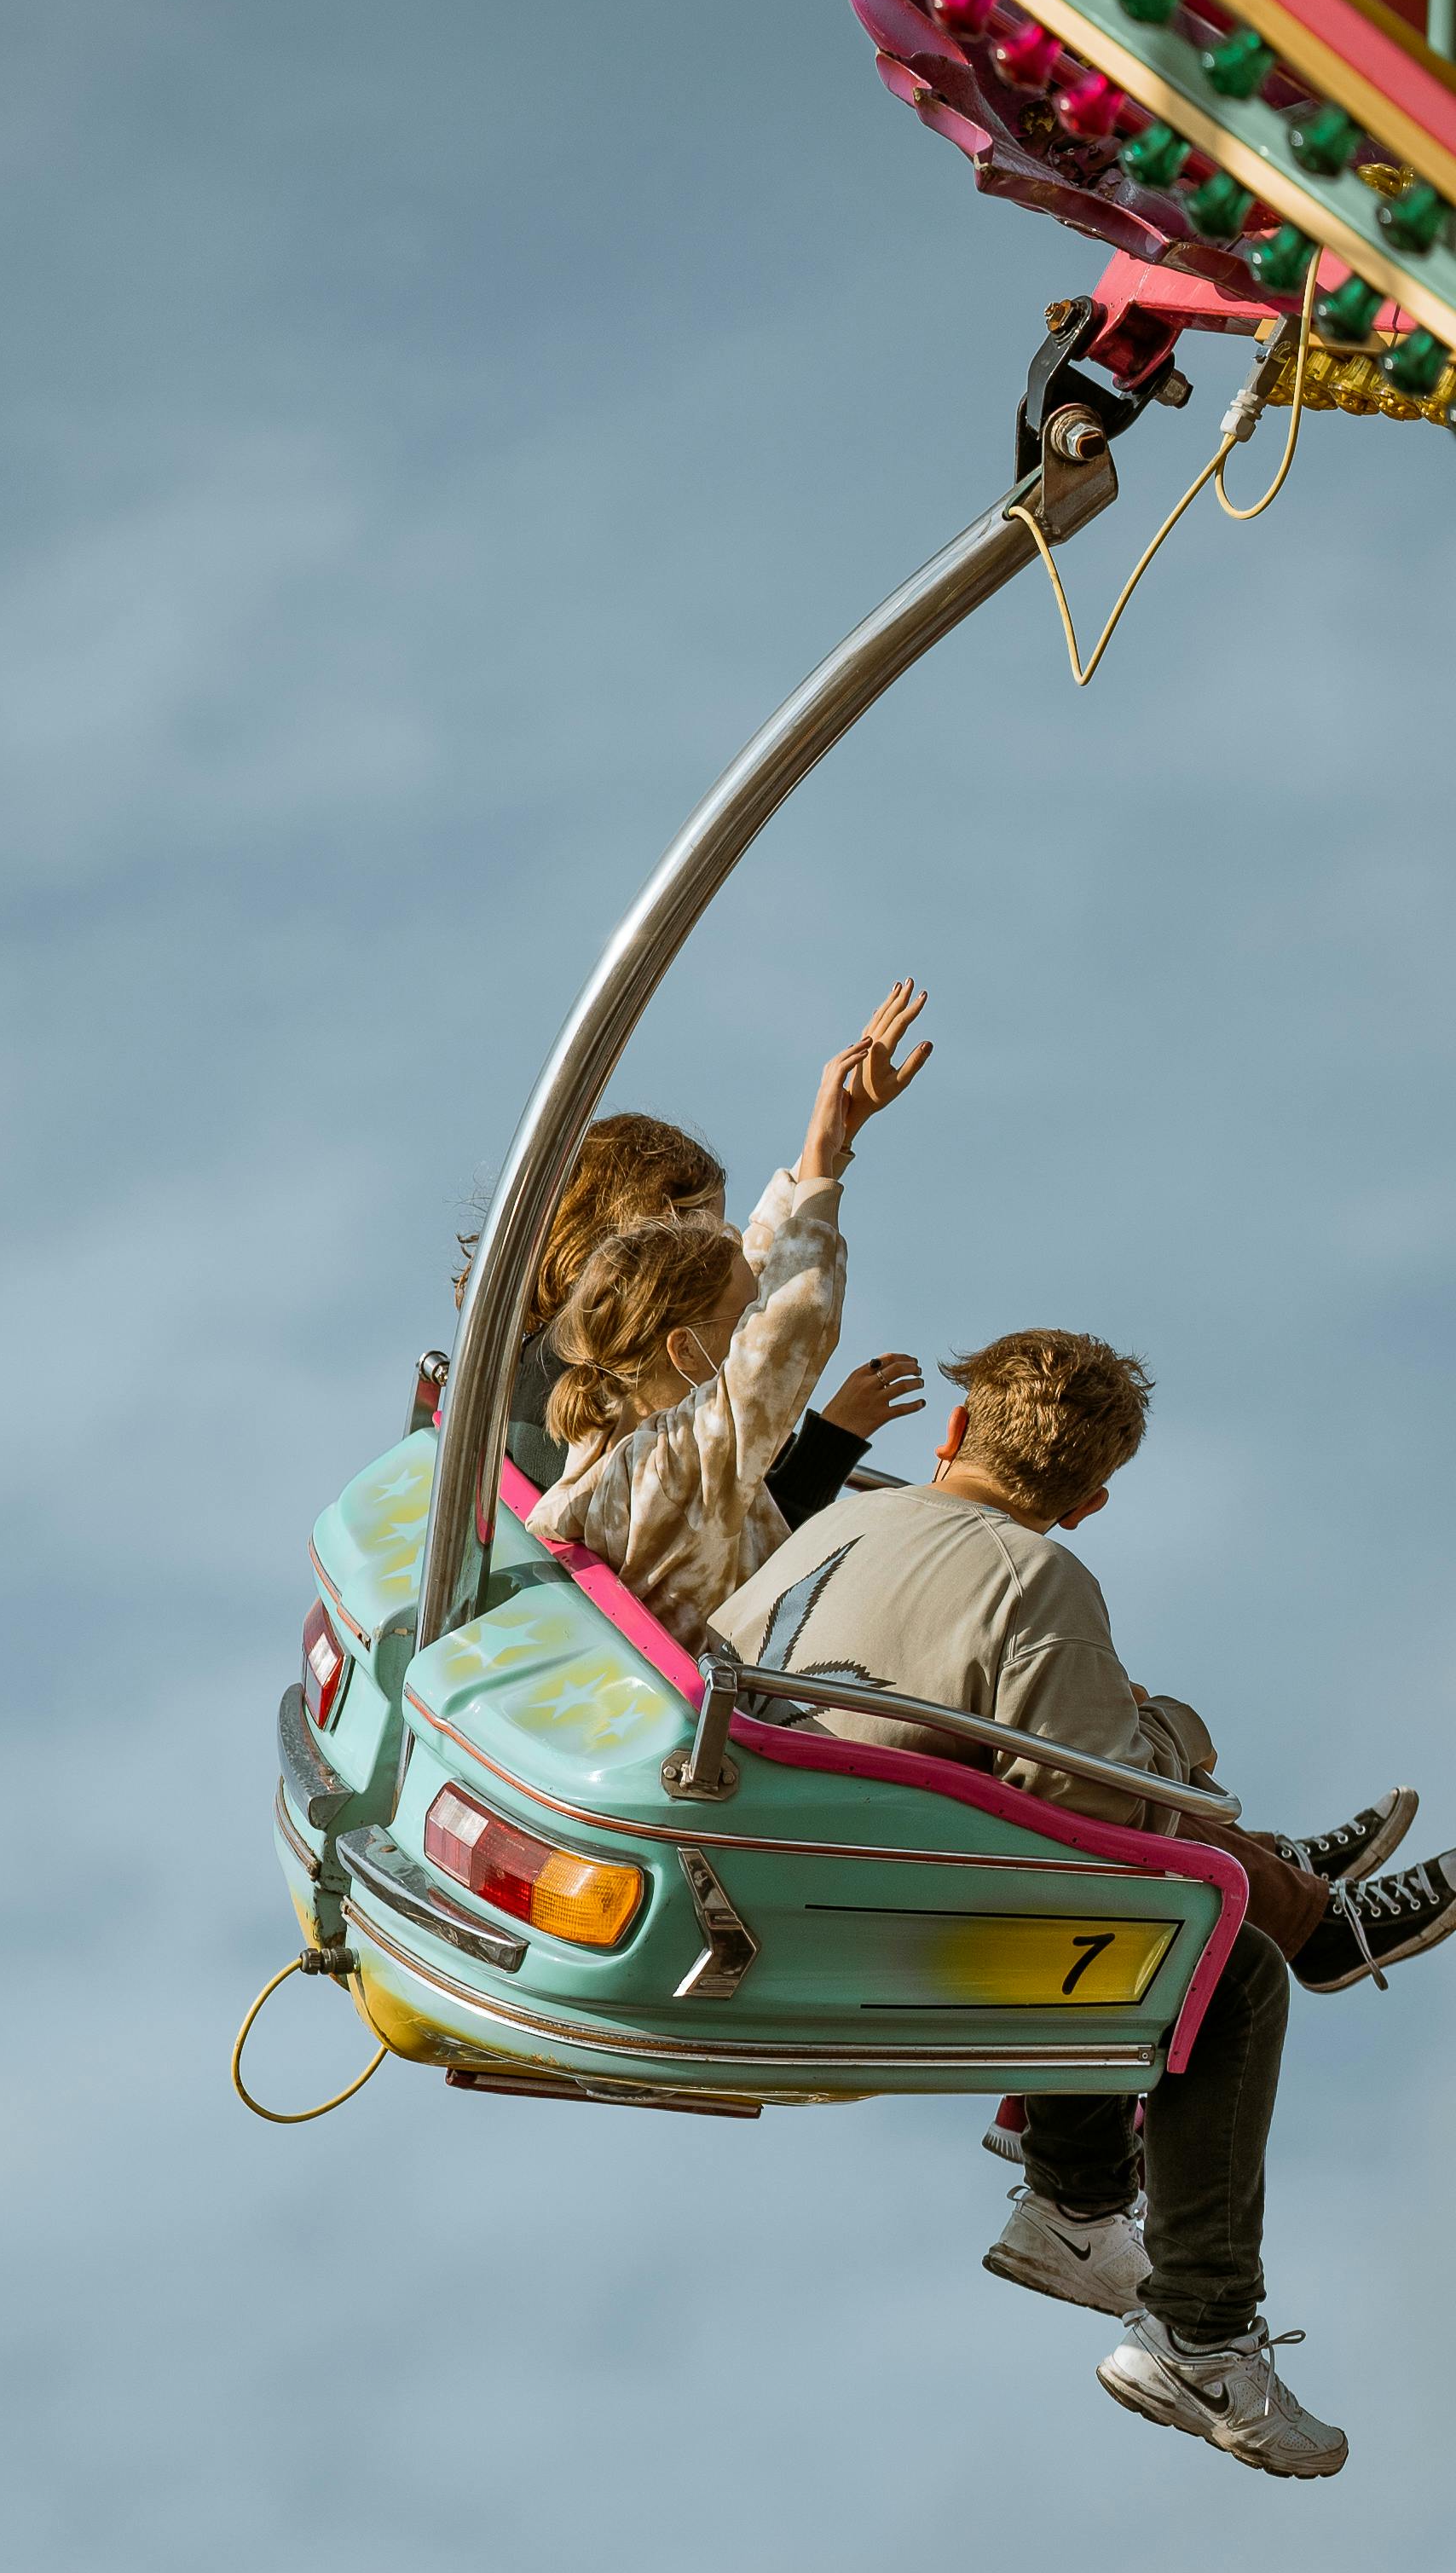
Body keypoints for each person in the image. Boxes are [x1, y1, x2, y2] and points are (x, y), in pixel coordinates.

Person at [709, 1328, 1456, 2480]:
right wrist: (1171, 1736)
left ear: (954, 1432)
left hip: (749, 1844)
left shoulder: (845, 1517)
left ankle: (1080, 2203)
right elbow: (1093, 1815)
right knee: (1213, 1954)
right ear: (1094, 1501)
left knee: (1114, 1868)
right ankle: (1200, 2331)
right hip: (838, 1914)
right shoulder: (1036, 1581)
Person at [521, 985, 932, 1650]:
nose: (754, 1325)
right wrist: (821, 1154)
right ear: (683, 1349)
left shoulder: (600, 1411)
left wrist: (832, 1144)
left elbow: (740, 1275)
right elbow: (787, 1328)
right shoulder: (674, 1465)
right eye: (744, 1320)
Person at [497, 1067, 925, 1509]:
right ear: (641, 1231)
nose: (718, 1251)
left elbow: (747, 1286)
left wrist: (835, 1141)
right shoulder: (598, 1376)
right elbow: (779, 1329)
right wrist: (836, 1436)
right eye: (701, 1234)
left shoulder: (562, 1354)